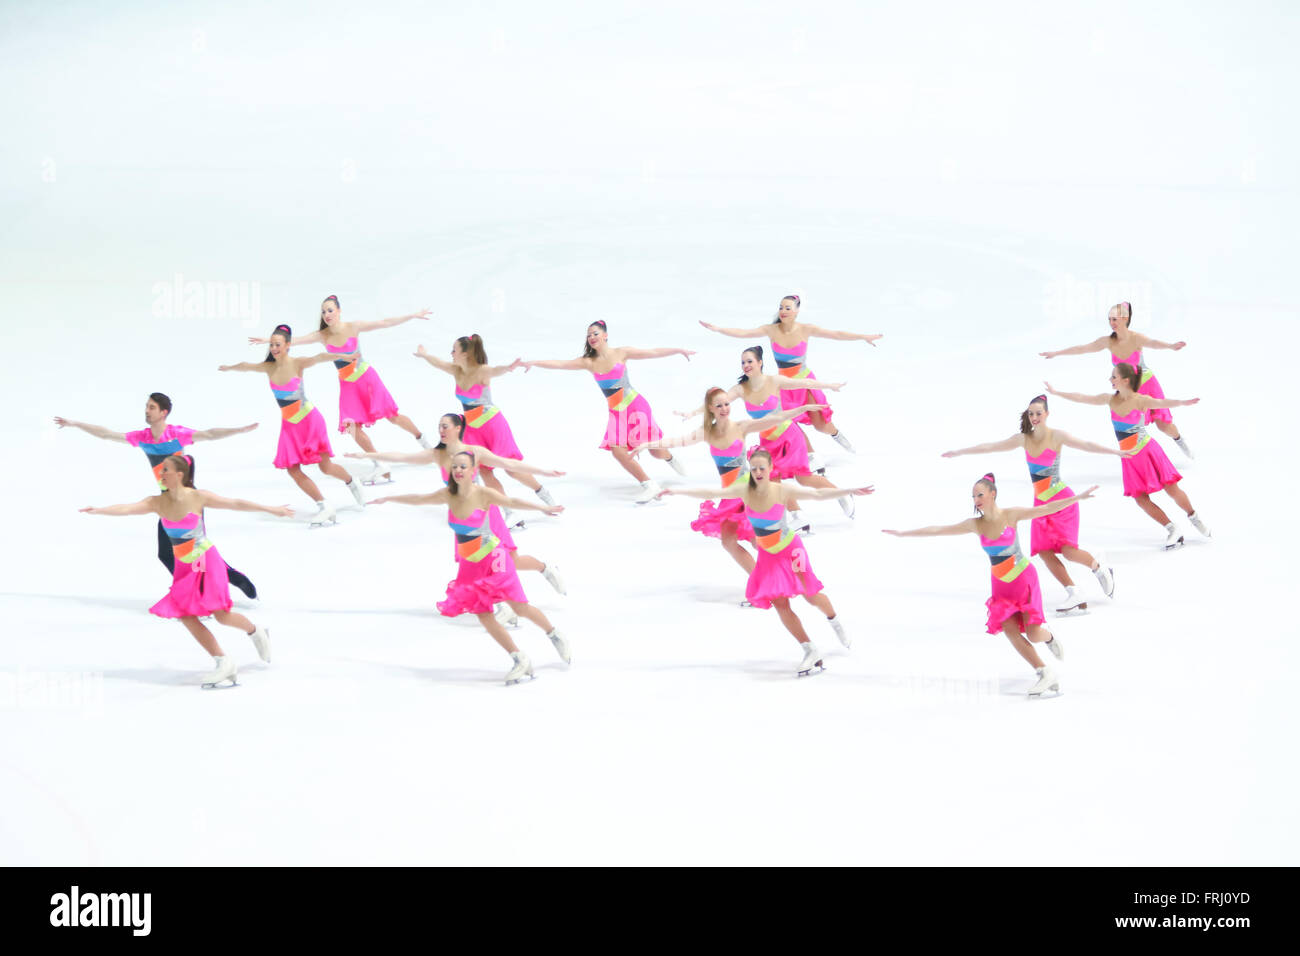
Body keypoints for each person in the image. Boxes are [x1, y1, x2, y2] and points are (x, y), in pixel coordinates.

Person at [80, 454, 291, 687]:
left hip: (205, 560)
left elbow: (235, 503)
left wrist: (271, 509)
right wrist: (99, 510)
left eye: (166, 470)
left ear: (180, 475)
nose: (161, 474)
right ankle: (223, 661)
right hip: (183, 565)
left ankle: (255, 631)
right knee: (185, 615)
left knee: (221, 615)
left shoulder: (198, 497)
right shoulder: (157, 502)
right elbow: (128, 508)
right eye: (161, 471)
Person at [882, 475, 1099, 698]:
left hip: (1023, 579)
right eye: (973, 496)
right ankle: (1044, 672)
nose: (976, 499)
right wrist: (903, 533)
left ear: (992, 494)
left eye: (980, 494)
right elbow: (939, 529)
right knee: (1010, 630)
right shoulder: (975, 524)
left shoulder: (1010, 515)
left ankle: (1049, 637)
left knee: (1034, 634)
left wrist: (1079, 498)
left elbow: (1047, 508)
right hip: (1000, 585)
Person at [660, 449, 873, 676]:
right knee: (780, 604)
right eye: (754, 468)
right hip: (768, 556)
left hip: (791, 551)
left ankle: (835, 621)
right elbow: (710, 491)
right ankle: (810, 650)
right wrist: (676, 491)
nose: (758, 472)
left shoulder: (782, 490)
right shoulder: (743, 490)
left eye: (762, 468)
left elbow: (817, 495)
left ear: (771, 469)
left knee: (810, 595)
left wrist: (847, 490)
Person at [372, 451, 569, 685]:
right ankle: (519, 658)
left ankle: (554, 634)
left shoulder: (483, 494)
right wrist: (390, 498)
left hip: (494, 557)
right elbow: (418, 498)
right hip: (470, 564)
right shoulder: (448, 495)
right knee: (482, 614)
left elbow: (512, 502)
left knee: (520, 607)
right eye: (455, 467)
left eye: (463, 467)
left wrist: (543, 508)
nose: (458, 471)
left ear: (473, 470)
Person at [55, 393, 261, 598]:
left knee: (197, 551)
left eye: (152, 407)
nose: (146, 410)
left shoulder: (176, 434)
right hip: (166, 500)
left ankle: (226, 580)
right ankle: (194, 588)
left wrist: (239, 430)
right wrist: (75, 423)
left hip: (187, 499)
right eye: (146, 406)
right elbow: (107, 434)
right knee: (166, 554)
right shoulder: (142, 438)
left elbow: (209, 434)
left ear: (164, 412)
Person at [940, 393, 1131, 612]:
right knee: (1043, 551)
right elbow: (991, 446)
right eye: (1031, 414)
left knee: (1068, 551)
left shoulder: (1057, 436)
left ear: (1047, 414)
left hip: (1062, 500)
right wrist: (960, 452)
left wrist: (1116, 451)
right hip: (1040, 505)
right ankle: (1074, 592)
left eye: (1039, 413)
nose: (1034, 417)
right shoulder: (1023, 439)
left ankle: (1099, 566)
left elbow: (1086, 444)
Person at [348, 413, 568, 598]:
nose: (441, 431)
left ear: (458, 428)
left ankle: (544, 568)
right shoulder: (437, 454)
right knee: (476, 563)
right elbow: (402, 456)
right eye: (439, 427)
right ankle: (498, 602)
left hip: (483, 512)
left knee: (510, 560)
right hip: (461, 515)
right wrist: (366, 454)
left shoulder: (475, 452)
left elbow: (508, 463)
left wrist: (545, 471)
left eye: (445, 426)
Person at [634, 386, 824, 591]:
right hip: (730, 493)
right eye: (719, 405)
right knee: (731, 541)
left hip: (745, 490)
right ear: (711, 408)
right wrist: (647, 445)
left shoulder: (741, 427)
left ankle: (772, 581)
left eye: (727, 404)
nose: (725, 408)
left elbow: (774, 419)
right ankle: (767, 581)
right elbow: (678, 441)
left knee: (754, 540)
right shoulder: (707, 433)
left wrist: (802, 407)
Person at [249, 295, 432, 480]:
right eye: (323, 311)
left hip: (366, 378)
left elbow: (384, 322)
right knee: (351, 426)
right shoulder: (323, 336)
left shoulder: (353, 327)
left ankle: (424, 443)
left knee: (392, 416)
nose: (327, 314)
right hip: (348, 385)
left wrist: (413, 315)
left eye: (330, 310)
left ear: (339, 311)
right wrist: (268, 341)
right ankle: (380, 463)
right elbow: (294, 340)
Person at [520, 320, 694, 502]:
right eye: (589, 335)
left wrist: (678, 350)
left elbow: (652, 352)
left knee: (655, 452)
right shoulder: (588, 362)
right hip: (616, 413)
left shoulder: (622, 353)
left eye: (595, 333)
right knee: (618, 451)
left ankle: (669, 457)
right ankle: (650, 485)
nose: (592, 337)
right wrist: (535, 362)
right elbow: (560, 364)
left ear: (605, 335)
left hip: (635, 406)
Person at [699, 294, 882, 464]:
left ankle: (835, 433)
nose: (783, 311)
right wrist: (720, 329)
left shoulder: (806, 329)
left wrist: (862, 337)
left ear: (796, 311)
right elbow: (744, 333)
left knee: (821, 425)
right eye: (781, 307)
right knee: (789, 424)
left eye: (788, 308)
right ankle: (810, 455)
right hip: (784, 386)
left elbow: (836, 334)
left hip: (804, 382)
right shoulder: (771, 330)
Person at [1045, 367, 1210, 549]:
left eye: (1114, 377)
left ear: (1126, 380)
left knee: (1171, 489)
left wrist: (1184, 402)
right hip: (1129, 457)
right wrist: (1056, 392)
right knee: (1140, 498)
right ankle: (1172, 528)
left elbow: (1163, 402)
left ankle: (1193, 517)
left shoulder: (1140, 400)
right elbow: (1083, 398)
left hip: (1147, 450)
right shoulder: (1110, 399)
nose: (1110, 379)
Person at [220, 323, 364, 525]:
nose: (274, 348)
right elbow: (246, 366)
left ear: (288, 345)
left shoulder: (298, 363)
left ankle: (352, 482)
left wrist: (344, 357)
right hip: (289, 426)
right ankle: (324, 505)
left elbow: (319, 358)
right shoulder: (268, 367)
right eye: (271, 345)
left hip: (310, 421)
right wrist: (230, 368)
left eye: (277, 344)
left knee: (325, 467)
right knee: (292, 470)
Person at [414, 334, 557, 510]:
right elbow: (439, 363)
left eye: (454, 350)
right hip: (472, 428)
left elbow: (495, 370)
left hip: (491, 424)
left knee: (511, 468)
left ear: (465, 354)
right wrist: (425, 355)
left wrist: (508, 367)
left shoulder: (481, 371)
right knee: (484, 470)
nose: (451, 353)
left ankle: (543, 493)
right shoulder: (456, 371)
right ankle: (509, 512)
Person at [1040, 300, 1193, 457]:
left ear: (1125, 319)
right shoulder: (1107, 341)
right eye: (1110, 319)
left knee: (1163, 425)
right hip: (1128, 389)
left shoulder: (1136, 338)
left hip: (1147, 384)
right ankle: (1147, 460)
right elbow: (1082, 348)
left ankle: (1180, 440)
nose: (1111, 323)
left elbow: (1153, 343)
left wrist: (1170, 346)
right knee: (1135, 427)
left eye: (1115, 319)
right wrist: (1056, 353)